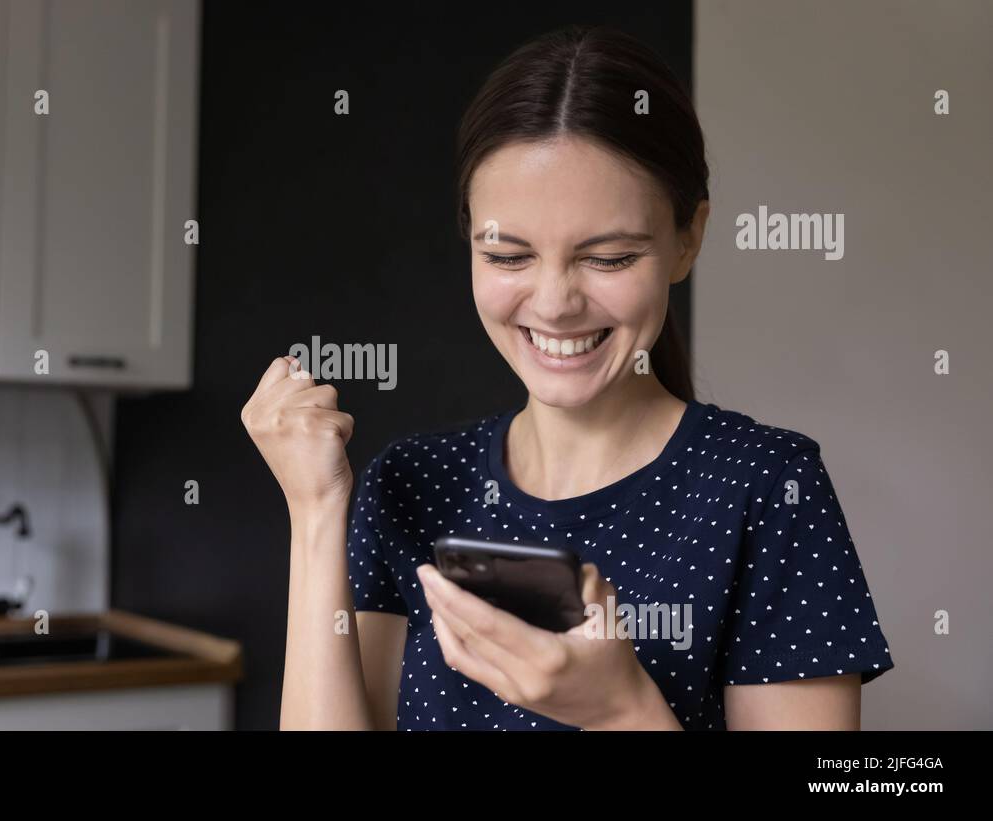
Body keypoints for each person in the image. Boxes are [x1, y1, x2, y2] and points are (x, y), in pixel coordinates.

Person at [241, 24, 893, 730]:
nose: (554, 303)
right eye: (509, 255)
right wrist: (314, 512)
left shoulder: (769, 486)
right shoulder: (410, 484)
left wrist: (621, 707)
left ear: (688, 238)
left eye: (609, 257)